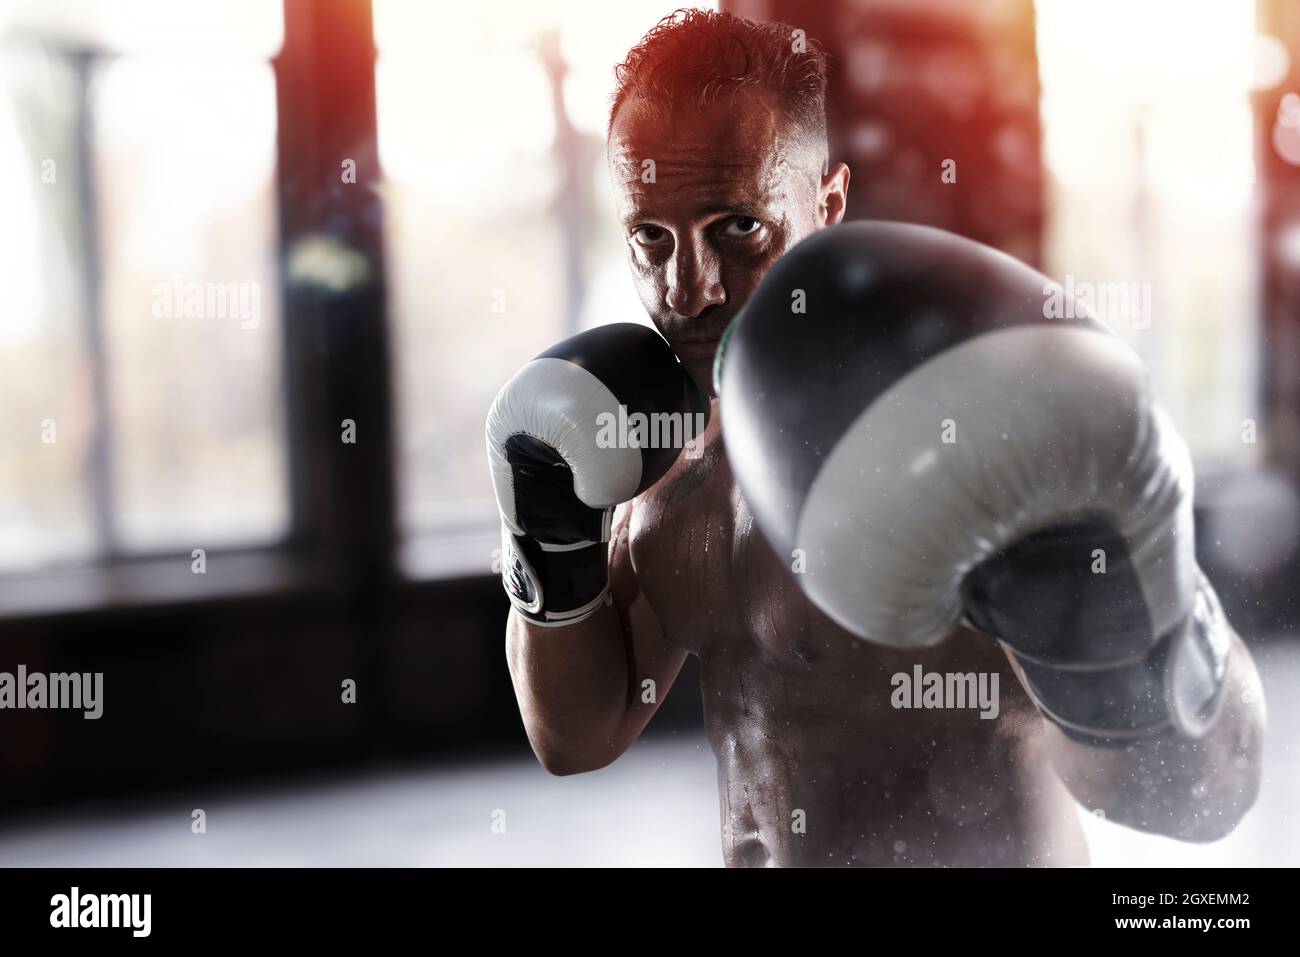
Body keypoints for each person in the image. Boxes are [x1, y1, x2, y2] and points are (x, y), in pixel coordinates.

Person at [486, 9, 1265, 866]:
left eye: (737, 228)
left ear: (827, 203)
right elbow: (580, 735)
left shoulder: (936, 438)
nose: (691, 287)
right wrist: (542, 532)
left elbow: (1200, 793)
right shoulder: (660, 465)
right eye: (651, 238)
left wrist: (1106, 594)